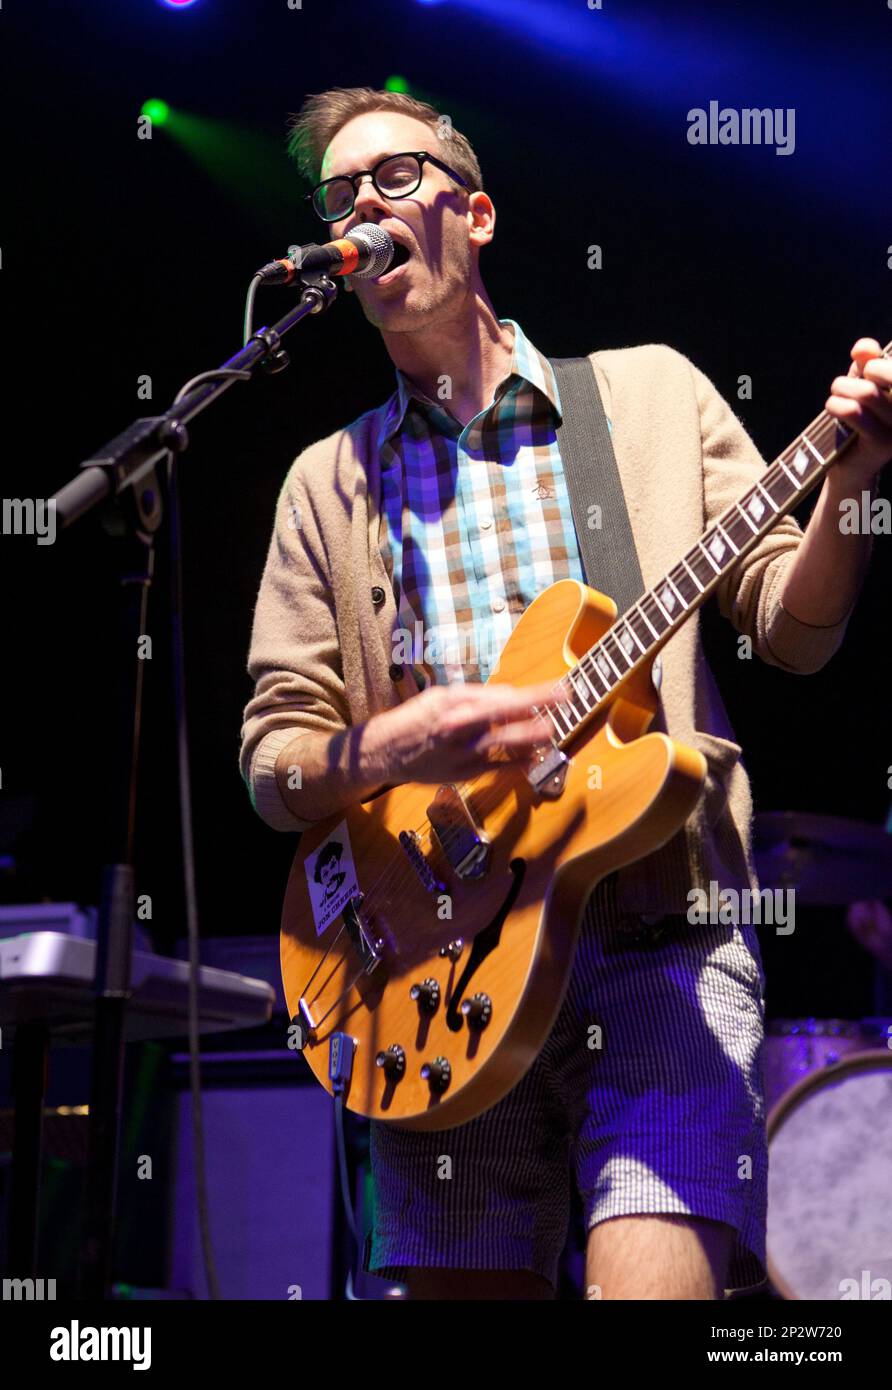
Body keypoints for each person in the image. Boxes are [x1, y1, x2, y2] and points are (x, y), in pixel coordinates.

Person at [239, 87, 892, 1299]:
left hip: (663, 945)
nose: (360, 211)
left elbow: (793, 633)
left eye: (393, 179)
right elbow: (276, 761)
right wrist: (395, 744)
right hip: (436, 975)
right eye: (337, 196)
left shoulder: (646, 397)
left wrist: (853, 480)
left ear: (473, 212)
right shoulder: (324, 486)